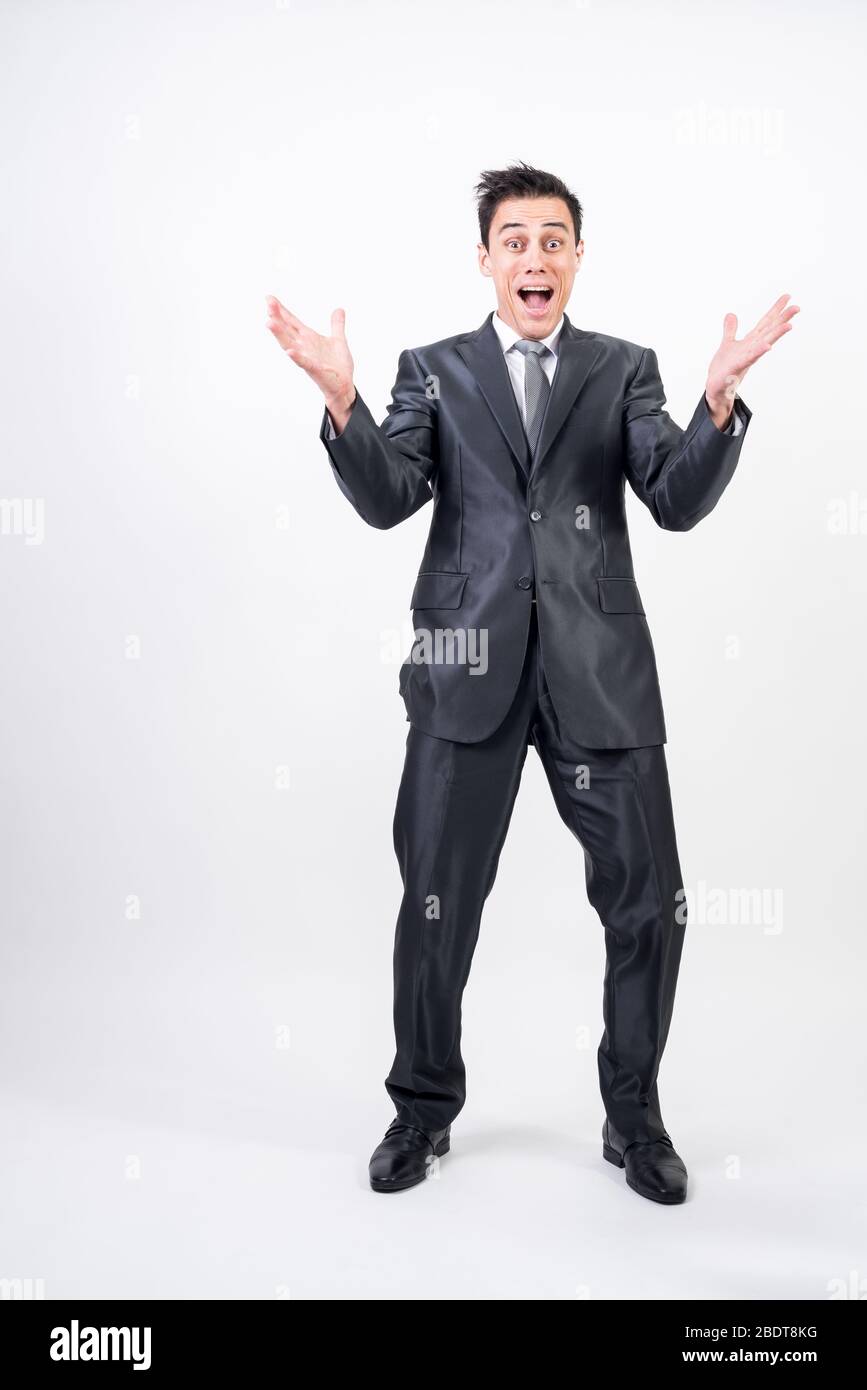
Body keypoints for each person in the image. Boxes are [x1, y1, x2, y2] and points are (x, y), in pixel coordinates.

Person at [266, 162, 798, 1205]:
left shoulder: (624, 369)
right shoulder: (433, 369)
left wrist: (718, 402)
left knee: (649, 902)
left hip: (599, 678)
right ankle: (422, 1110)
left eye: (553, 239)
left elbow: (676, 499)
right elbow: (389, 497)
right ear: (486, 259)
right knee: (434, 904)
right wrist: (345, 402)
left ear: (577, 257)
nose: (535, 257)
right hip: (464, 668)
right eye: (516, 240)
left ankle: (634, 1118)